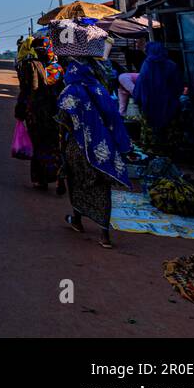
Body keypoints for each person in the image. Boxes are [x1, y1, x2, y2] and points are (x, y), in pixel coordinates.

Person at [57, 59, 133, 249]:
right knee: (102, 188)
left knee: (76, 182)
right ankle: (104, 235)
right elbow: (114, 117)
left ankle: (77, 219)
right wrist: (123, 146)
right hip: (103, 147)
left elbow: (63, 120)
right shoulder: (101, 90)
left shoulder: (70, 91)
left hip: (78, 146)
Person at [14, 36, 64, 192]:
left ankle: (41, 181)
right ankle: (59, 177)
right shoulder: (58, 69)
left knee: (38, 145)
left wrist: (20, 111)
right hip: (53, 114)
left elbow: (24, 92)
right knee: (54, 146)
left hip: (34, 114)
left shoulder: (29, 67)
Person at [134, 40, 182, 149]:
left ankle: (154, 151)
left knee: (152, 135)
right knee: (170, 133)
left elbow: (140, 85)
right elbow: (178, 87)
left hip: (149, 107)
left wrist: (138, 100)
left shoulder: (147, 65)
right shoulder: (172, 65)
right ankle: (171, 151)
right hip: (169, 106)